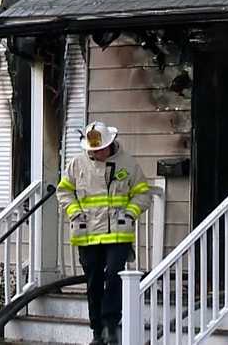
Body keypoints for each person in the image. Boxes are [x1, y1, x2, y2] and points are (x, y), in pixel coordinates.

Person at [56, 122, 152, 345]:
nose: (95, 153)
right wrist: (74, 212)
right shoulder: (77, 164)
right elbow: (64, 192)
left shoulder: (128, 164)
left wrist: (129, 213)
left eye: (99, 149)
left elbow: (142, 194)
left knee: (114, 277)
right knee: (94, 281)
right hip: (87, 234)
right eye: (92, 150)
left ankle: (110, 325)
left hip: (118, 233)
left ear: (109, 145)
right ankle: (97, 331)